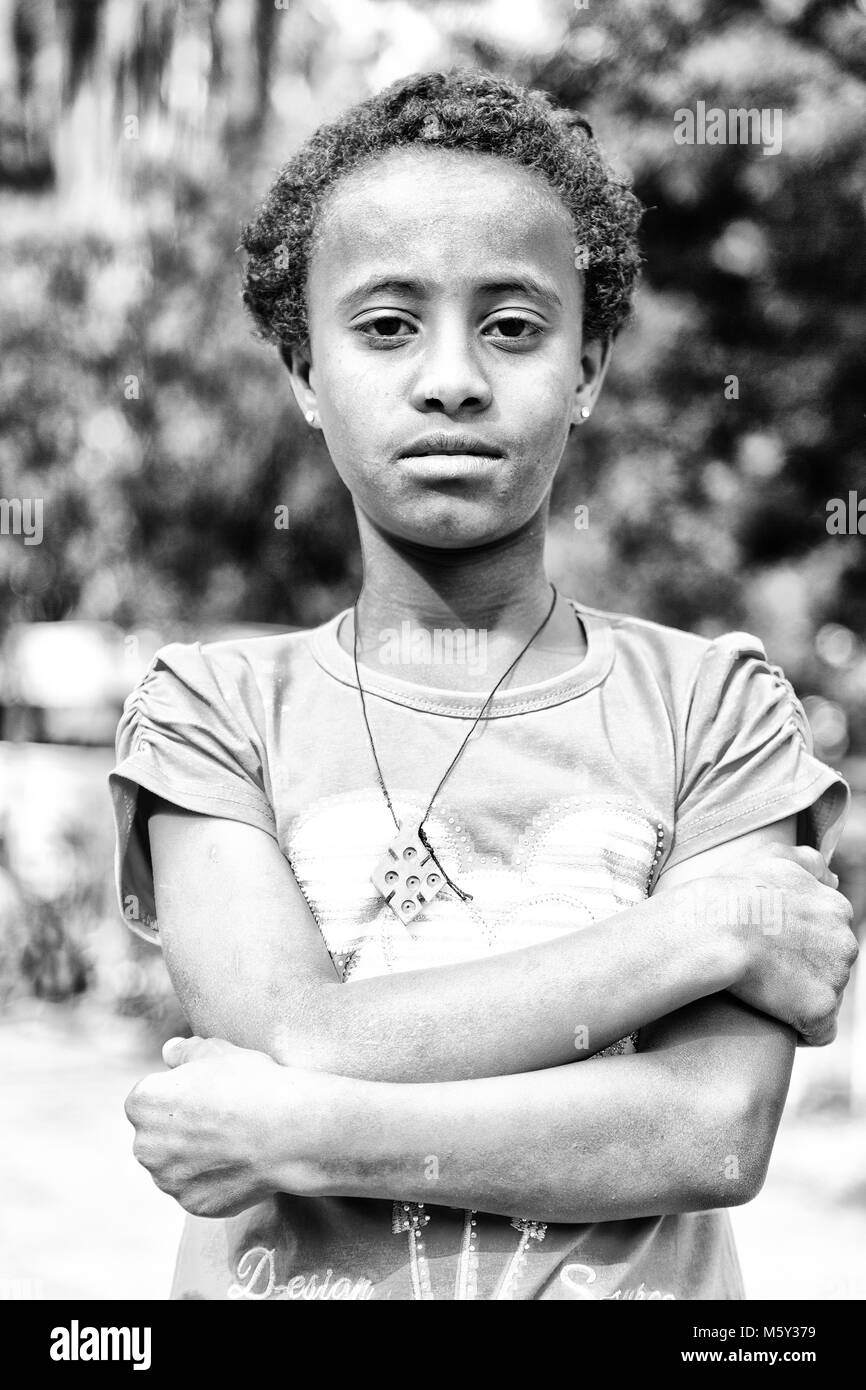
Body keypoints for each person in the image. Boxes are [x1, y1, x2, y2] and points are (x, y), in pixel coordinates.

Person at [111, 70, 857, 1301]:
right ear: (304, 371)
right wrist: (700, 929)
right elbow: (289, 1031)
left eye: (511, 325)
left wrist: (299, 1132)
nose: (450, 378)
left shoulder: (712, 707)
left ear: (589, 366)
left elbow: (709, 1133)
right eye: (386, 325)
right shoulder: (212, 711)